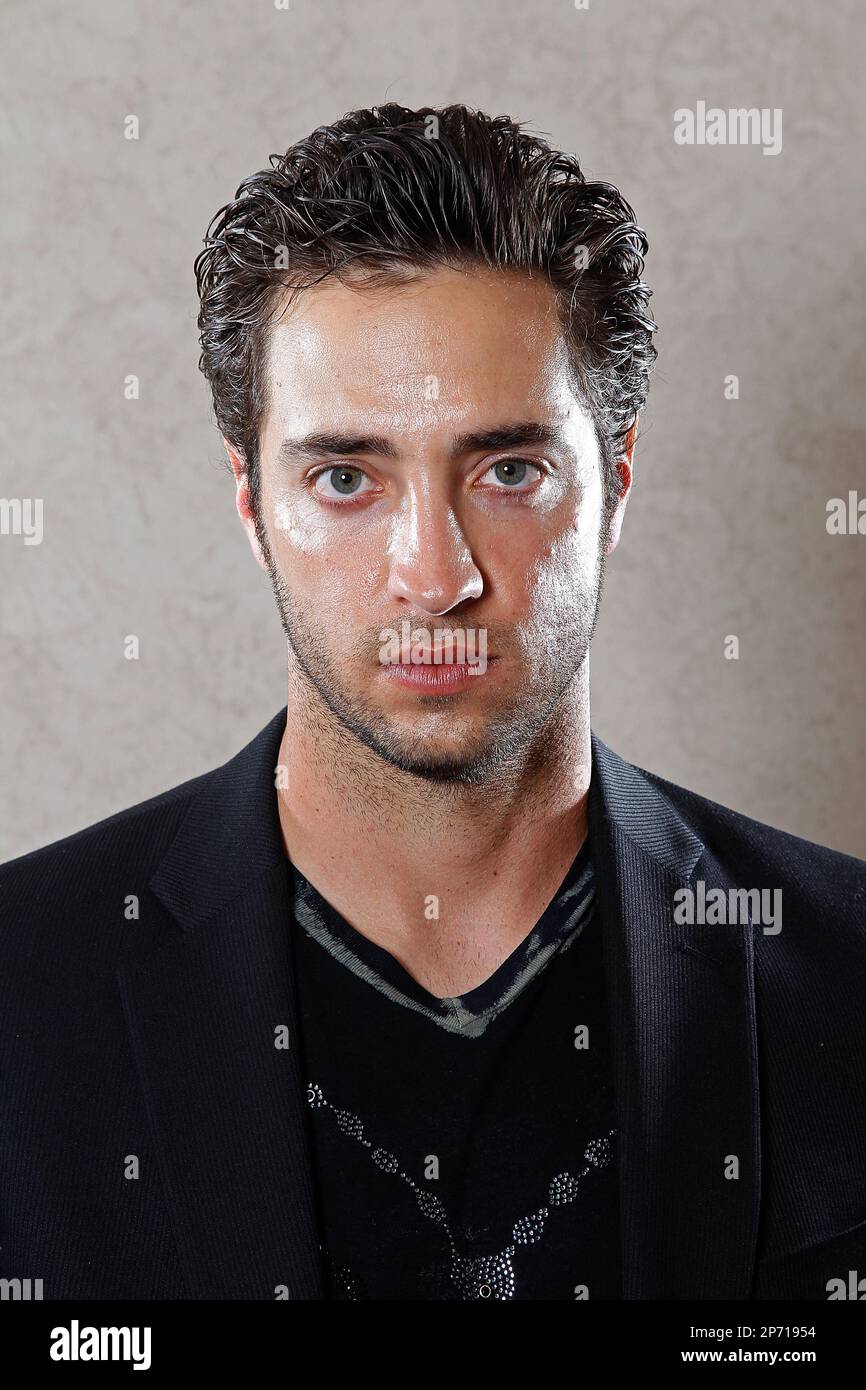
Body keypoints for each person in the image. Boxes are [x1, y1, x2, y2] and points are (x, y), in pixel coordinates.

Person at [1, 103, 864, 1302]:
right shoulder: (25, 984)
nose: (435, 572)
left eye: (506, 470)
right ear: (252, 507)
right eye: (345, 476)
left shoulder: (842, 964)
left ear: (613, 484)